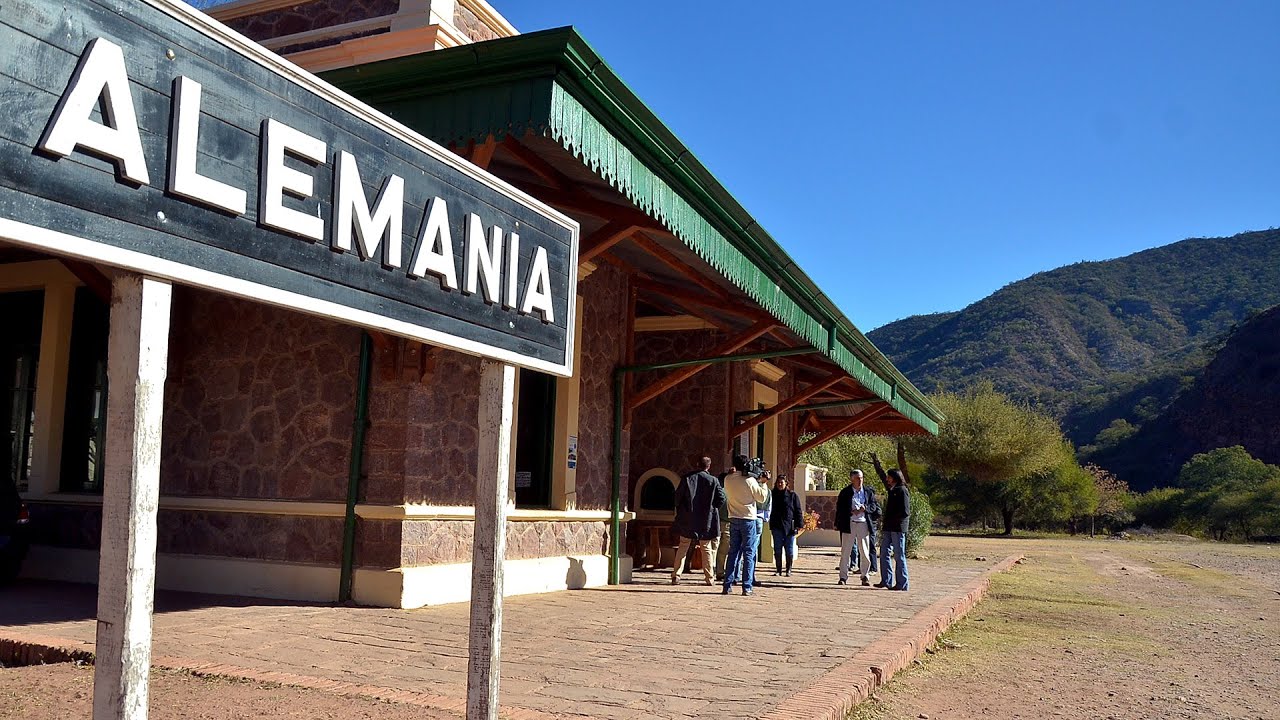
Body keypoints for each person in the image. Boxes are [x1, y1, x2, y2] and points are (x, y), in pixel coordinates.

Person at [670, 456, 725, 586]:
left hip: (688, 518)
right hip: (706, 519)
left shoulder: (687, 479)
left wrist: (683, 510)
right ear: (709, 466)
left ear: (696, 464)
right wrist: (712, 507)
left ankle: (676, 575)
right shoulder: (713, 480)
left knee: (683, 546)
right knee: (706, 548)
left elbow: (677, 498)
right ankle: (709, 577)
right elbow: (721, 498)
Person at [721, 454, 769, 596]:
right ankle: (747, 586)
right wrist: (763, 483)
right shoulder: (749, 480)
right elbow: (761, 498)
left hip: (733, 517)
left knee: (733, 552)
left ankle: (727, 585)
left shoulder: (728, 479)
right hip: (748, 519)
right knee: (749, 552)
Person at [871, 452, 910, 591]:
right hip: (888, 528)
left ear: (894, 478)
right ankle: (886, 580)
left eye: (888, 476)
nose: (887, 479)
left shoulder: (902, 491)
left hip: (898, 528)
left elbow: (905, 511)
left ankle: (902, 583)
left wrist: (893, 520)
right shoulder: (892, 491)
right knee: (884, 553)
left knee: (899, 556)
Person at [835, 469, 879, 586]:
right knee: (846, 552)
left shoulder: (868, 492)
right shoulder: (845, 492)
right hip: (849, 524)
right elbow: (840, 508)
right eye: (857, 478)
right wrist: (850, 511)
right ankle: (843, 577)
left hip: (863, 523)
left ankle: (865, 575)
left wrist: (865, 508)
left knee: (864, 551)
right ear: (852, 479)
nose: (860, 481)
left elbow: (874, 506)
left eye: (861, 478)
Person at [768, 474, 803, 576]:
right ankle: (778, 570)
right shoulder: (772, 494)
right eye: (778, 482)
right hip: (776, 525)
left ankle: (789, 569)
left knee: (789, 548)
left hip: (789, 527)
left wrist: (799, 524)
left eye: (781, 482)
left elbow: (798, 511)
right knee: (777, 548)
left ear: (786, 484)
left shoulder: (792, 496)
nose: (779, 484)